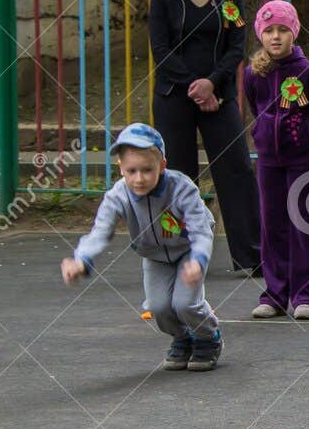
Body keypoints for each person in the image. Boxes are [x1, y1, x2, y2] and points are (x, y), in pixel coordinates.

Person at [61, 123, 222, 372]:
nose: (139, 178)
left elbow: (200, 230)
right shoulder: (118, 196)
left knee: (185, 303)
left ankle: (208, 338)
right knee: (158, 307)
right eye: (132, 170)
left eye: (147, 170)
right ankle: (182, 337)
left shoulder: (181, 189)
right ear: (120, 168)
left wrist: (198, 260)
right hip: (154, 255)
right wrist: (81, 259)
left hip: (188, 251)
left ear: (162, 165)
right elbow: (100, 232)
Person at [148, 0, 261, 276]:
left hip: (220, 97)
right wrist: (194, 88)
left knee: (237, 171)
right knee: (177, 176)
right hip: (173, 98)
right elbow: (161, 50)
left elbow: (236, 47)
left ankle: (251, 254)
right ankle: (178, 253)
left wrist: (212, 85)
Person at [243, 1, 309, 320]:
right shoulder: (253, 73)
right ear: (260, 34)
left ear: (294, 32)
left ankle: (305, 294)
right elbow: (256, 107)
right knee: (273, 225)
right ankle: (275, 293)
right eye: (269, 31)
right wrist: (267, 133)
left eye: (283, 30)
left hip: (302, 160)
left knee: (303, 225)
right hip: (268, 161)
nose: (276, 37)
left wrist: (307, 135)